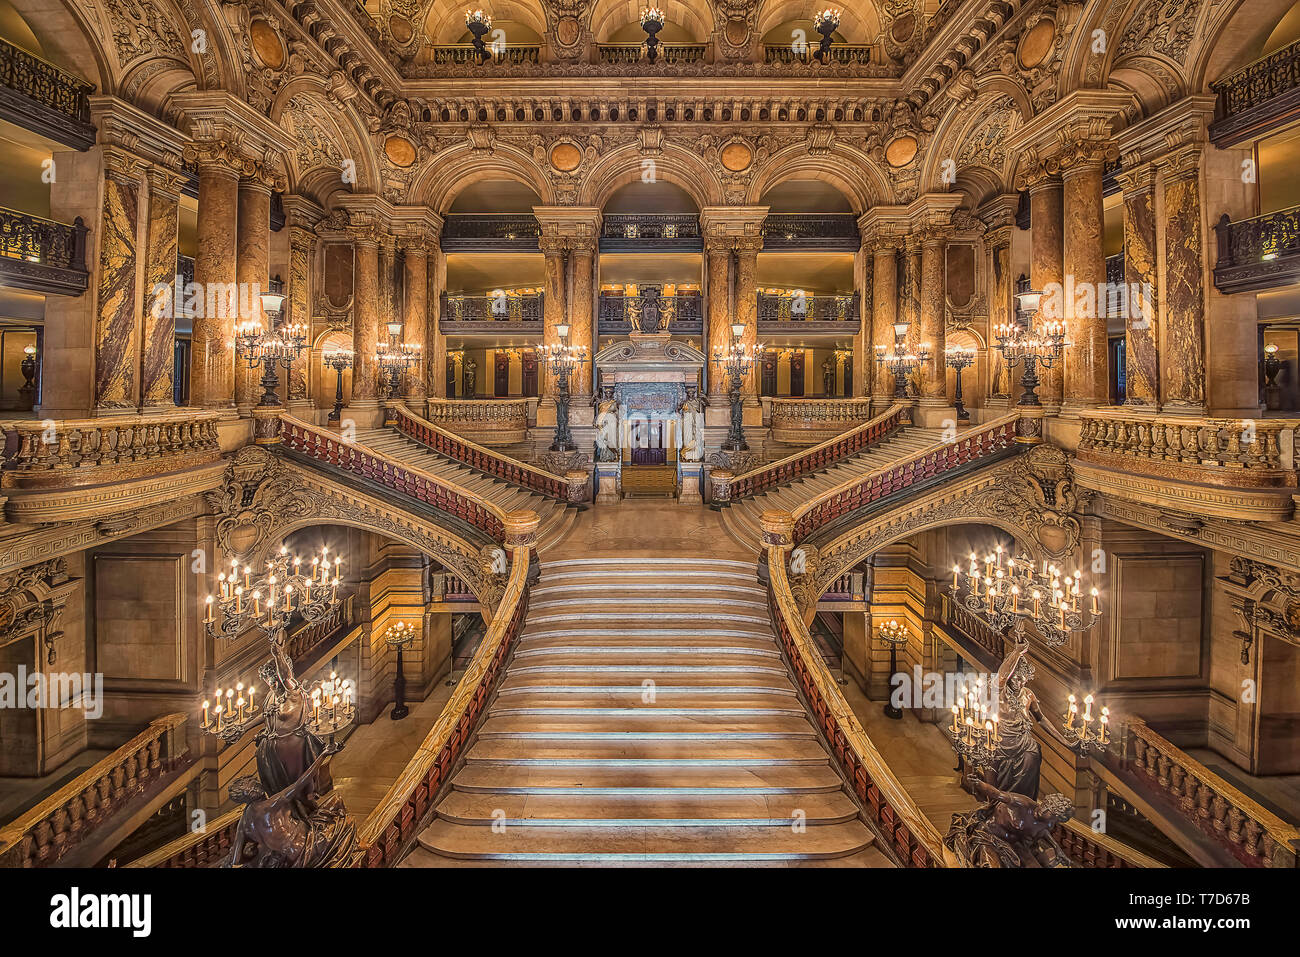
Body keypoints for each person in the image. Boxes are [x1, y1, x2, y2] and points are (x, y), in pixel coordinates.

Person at [945, 771, 1074, 867]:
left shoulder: (1047, 823)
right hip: (988, 836)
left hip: (1015, 845)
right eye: (1046, 805)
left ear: (1055, 818)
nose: (1044, 810)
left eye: (1050, 812)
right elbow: (997, 794)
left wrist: (1057, 848)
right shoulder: (1023, 803)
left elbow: (1042, 832)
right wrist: (979, 784)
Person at [594, 385, 620, 462]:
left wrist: (613, 417)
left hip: (611, 423)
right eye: (607, 393)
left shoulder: (614, 403)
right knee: (604, 439)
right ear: (605, 394)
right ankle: (605, 456)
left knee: (611, 439)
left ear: (612, 394)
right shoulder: (602, 402)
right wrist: (594, 396)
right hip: (603, 423)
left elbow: (618, 413)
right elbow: (596, 409)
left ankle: (614, 454)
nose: (608, 394)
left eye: (610, 393)